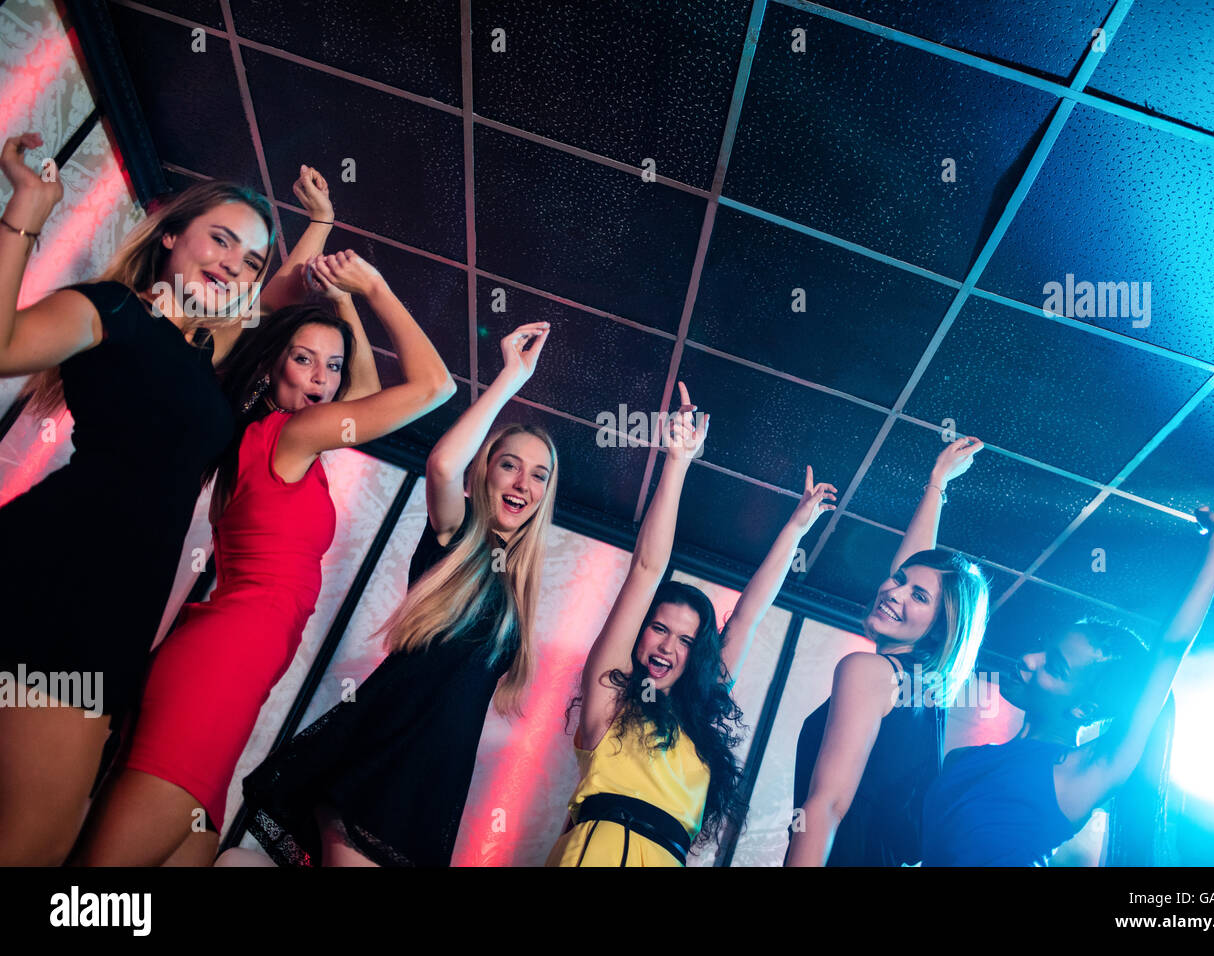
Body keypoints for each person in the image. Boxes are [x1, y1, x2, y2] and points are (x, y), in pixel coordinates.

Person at [72, 232, 456, 865]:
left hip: (236, 669)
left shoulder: (266, 439)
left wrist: (341, 305)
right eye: (305, 360)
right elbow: (433, 386)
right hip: (221, 664)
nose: (324, 379)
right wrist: (374, 288)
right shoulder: (294, 434)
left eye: (332, 366)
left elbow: (361, 399)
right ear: (274, 361)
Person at [0, 132, 274, 865]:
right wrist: (26, 212)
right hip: (57, 581)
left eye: (250, 260)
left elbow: (273, 298)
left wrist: (317, 240)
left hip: (112, 611)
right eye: (220, 239)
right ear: (173, 235)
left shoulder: (206, 355)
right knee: (31, 849)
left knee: (33, 845)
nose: (233, 264)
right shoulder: (114, 310)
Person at [223, 322, 555, 867]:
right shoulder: (458, 536)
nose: (522, 483)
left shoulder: (516, 594)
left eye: (538, 476)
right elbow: (444, 465)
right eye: (509, 465)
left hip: (430, 794)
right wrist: (510, 379)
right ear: (485, 473)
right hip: (379, 763)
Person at [921, 506, 1214, 867]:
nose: (1029, 658)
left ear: (1083, 709)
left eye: (1054, 667)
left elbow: (1169, 651)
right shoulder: (965, 759)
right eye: (1044, 648)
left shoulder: (1084, 771)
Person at [547, 384, 748, 866]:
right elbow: (646, 570)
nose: (667, 646)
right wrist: (677, 462)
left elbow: (749, 615)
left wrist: (797, 530)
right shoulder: (610, 694)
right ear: (638, 633)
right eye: (659, 629)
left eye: (685, 641)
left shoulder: (699, 732)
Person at [785, 437, 989, 867]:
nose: (892, 592)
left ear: (941, 626)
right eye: (896, 580)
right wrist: (937, 484)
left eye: (917, 596)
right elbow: (920, 568)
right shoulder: (923, 696)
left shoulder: (871, 672)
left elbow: (826, 805)